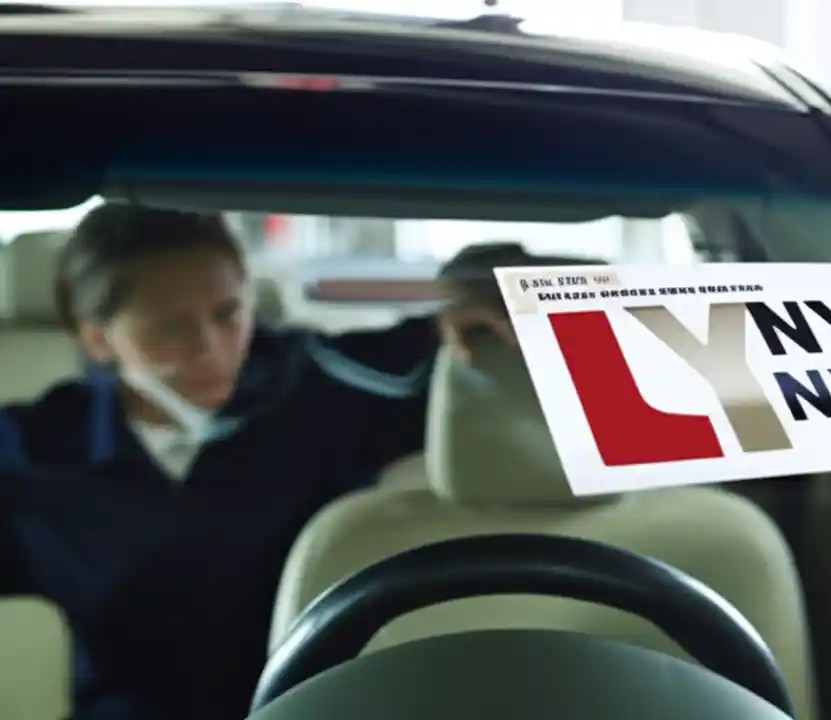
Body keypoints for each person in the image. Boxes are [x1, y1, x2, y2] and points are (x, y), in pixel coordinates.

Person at [0, 204, 517, 719]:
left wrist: (476, 295)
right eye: (172, 328)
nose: (212, 348)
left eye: (228, 314)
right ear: (98, 339)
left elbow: (500, 303)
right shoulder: (30, 451)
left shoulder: (320, 382)